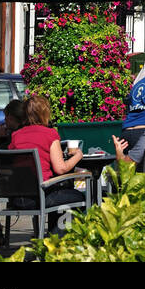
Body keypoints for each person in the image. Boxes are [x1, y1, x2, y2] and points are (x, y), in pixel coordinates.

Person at [9, 94, 86, 229]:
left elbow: (11, 161)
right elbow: (60, 169)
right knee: (77, 196)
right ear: (45, 113)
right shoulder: (50, 134)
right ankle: (57, 238)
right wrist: (78, 155)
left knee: (60, 193)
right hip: (41, 196)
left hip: (17, 198)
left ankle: (52, 238)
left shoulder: (16, 135)